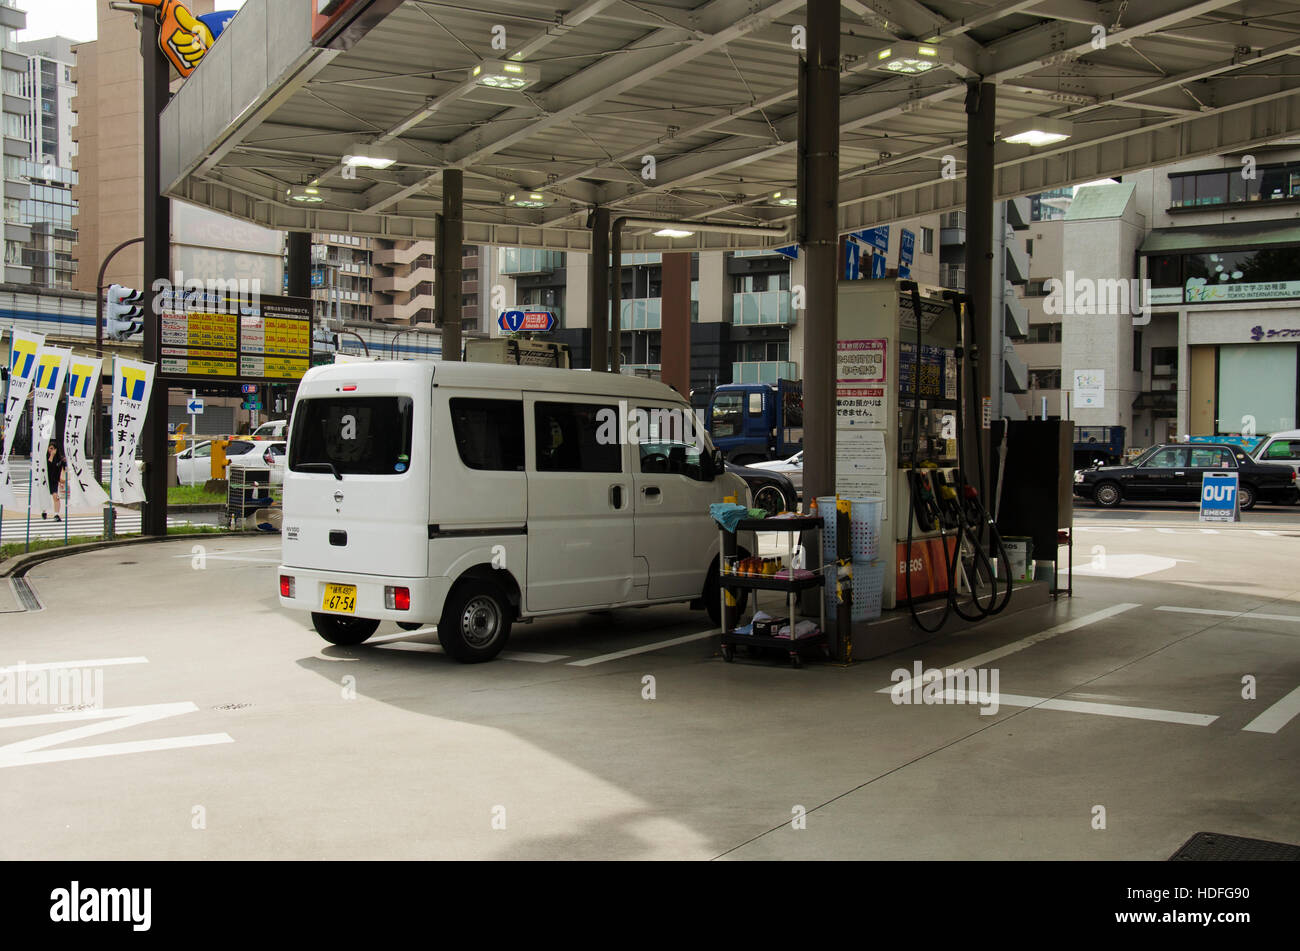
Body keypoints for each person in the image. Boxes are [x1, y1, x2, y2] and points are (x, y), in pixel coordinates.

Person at [44, 442, 67, 523]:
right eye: (50, 448)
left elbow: (65, 469)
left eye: (53, 449)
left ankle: (56, 514)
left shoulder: (59, 459)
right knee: (44, 497)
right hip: (45, 480)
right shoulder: (45, 457)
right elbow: (49, 465)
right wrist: (51, 455)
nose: (51, 450)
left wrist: (62, 481)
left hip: (54, 481)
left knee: (55, 496)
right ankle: (44, 511)